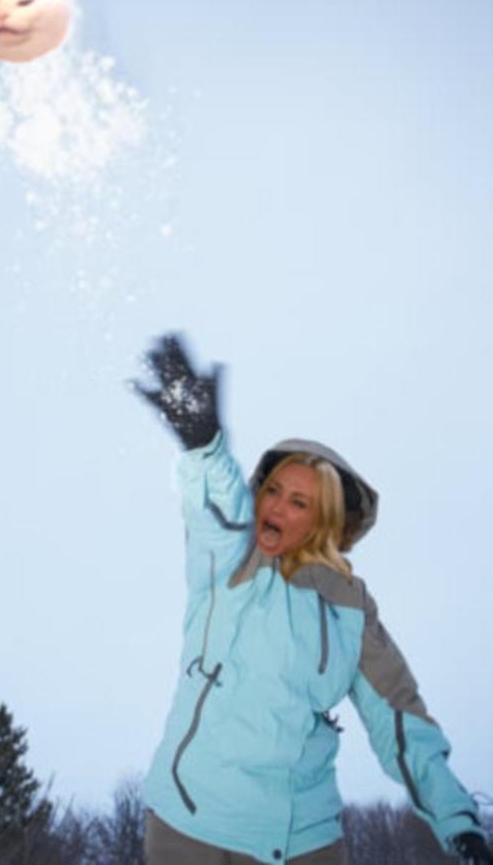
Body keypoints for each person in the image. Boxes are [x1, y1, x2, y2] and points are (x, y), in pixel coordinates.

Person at [132, 334, 492, 865]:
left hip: (305, 841)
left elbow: (397, 717)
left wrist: (455, 817)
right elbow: (219, 511)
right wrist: (205, 446)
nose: (274, 506)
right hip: (191, 824)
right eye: (272, 489)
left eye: (297, 501)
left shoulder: (351, 606)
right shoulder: (233, 559)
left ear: (323, 522)